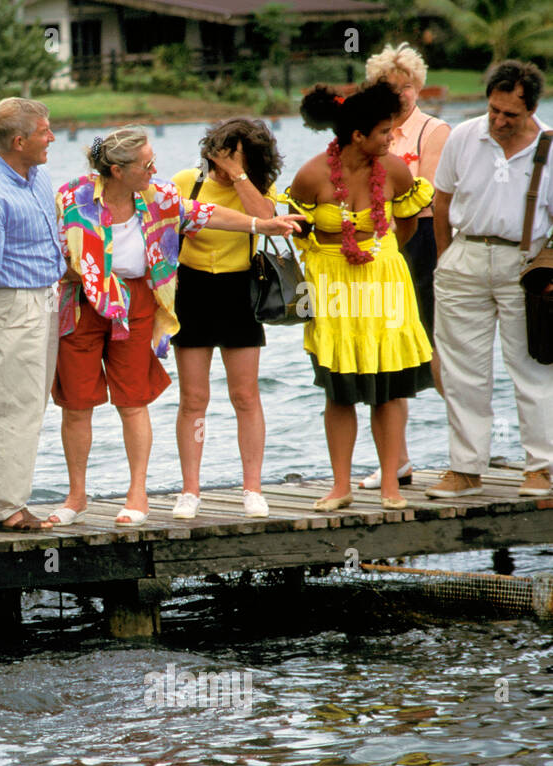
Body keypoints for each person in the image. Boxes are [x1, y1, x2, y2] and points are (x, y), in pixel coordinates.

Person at [51, 126, 302, 526]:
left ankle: (138, 496)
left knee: (133, 401)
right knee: (77, 404)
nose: (155, 168)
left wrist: (263, 227)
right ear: (117, 170)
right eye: (147, 163)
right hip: (82, 305)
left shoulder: (160, 195)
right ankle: (76, 496)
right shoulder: (72, 195)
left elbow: (205, 214)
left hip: (140, 301)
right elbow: (46, 242)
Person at [284, 81, 436, 512]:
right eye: (386, 131)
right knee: (340, 389)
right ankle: (340, 486)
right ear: (357, 136)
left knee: (387, 388)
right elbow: (297, 231)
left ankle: (390, 484)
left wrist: (382, 254)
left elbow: (408, 223)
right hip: (332, 286)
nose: (392, 138)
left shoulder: (395, 170)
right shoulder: (311, 175)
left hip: (384, 280)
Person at [427, 60, 553, 500]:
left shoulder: (550, 145)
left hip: (524, 263)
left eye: (510, 115)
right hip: (465, 253)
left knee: (533, 367)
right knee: (462, 371)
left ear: (532, 109)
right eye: (494, 110)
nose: (499, 121)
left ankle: (540, 468)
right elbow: (441, 201)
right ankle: (465, 469)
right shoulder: (465, 134)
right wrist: (446, 259)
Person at [169, 119, 283, 520]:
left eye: (237, 158)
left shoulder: (256, 188)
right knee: (194, 399)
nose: (226, 166)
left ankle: (252, 487)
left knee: (245, 395)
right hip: (193, 289)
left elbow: (267, 217)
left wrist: (239, 177)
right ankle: (190, 490)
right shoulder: (187, 181)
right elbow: (166, 222)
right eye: (222, 156)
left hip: (239, 289)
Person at [0, 97, 64, 533]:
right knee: (12, 407)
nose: (52, 138)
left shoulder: (35, 175)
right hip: (13, 303)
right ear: (19, 140)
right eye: (45, 132)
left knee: (31, 403)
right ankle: (6, 510)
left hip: (45, 297)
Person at [359, 42, 452, 490]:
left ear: (418, 87)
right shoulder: (365, 133)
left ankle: (465, 454)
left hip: (421, 245)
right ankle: (396, 460)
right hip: (376, 248)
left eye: (407, 87)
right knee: (383, 353)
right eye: (389, 88)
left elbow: (428, 193)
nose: (399, 95)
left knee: (435, 349)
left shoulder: (433, 130)